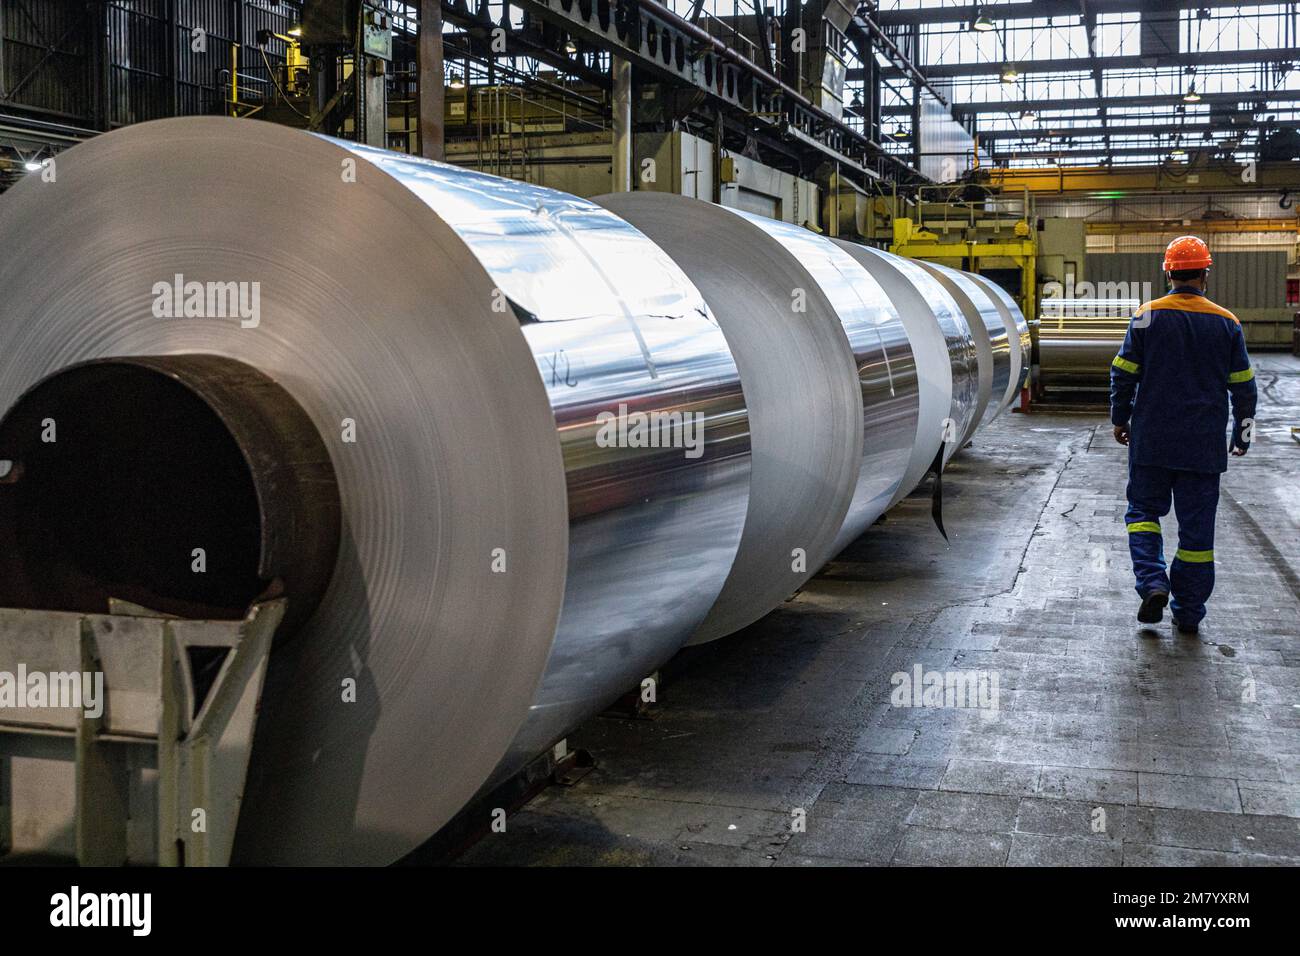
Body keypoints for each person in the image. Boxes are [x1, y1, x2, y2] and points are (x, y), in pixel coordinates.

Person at [1109, 236, 1257, 634]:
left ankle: (1152, 582)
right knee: (1197, 535)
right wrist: (1243, 434)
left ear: (1169, 274)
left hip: (1152, 442)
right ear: (1205, 274)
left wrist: (1120, 418)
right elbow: (1244, 387)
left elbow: (1123, 373)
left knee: (1143, 513)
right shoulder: (1228, 322)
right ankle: (1189, 613)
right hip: (1203, 446)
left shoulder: (1146, 315)